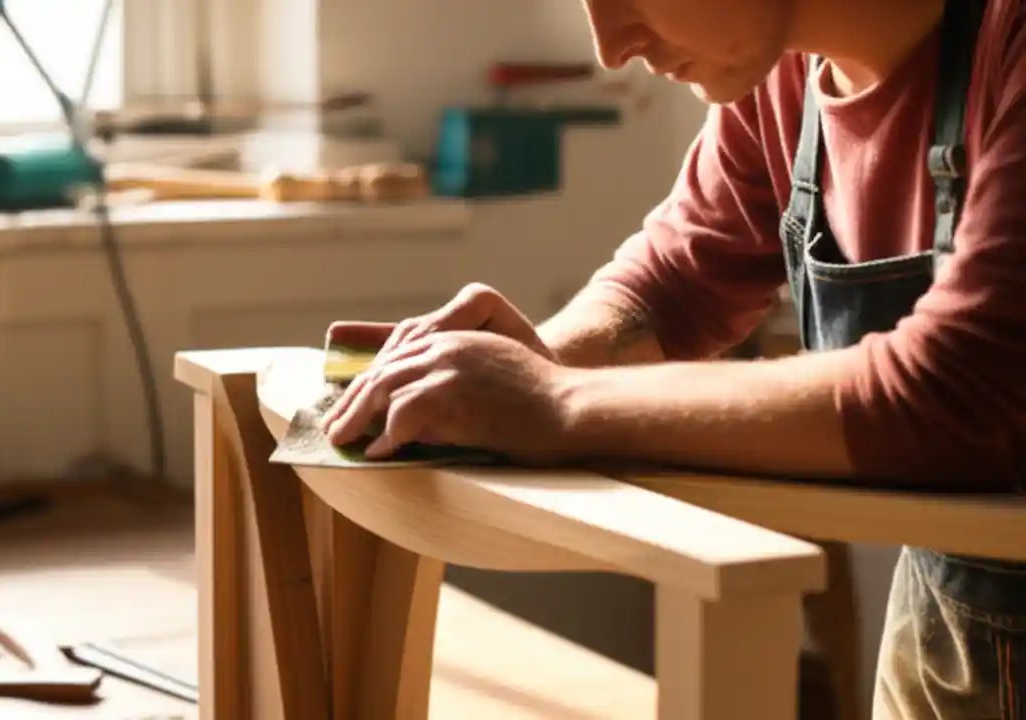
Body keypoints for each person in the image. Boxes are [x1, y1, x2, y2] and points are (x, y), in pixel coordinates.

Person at [319, 0, 1026, 716]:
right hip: (947, 621)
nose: (612, 48)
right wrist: (535, 360)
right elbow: (672, 285)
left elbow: (958, 392)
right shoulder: (786, 72)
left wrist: (554, 402)